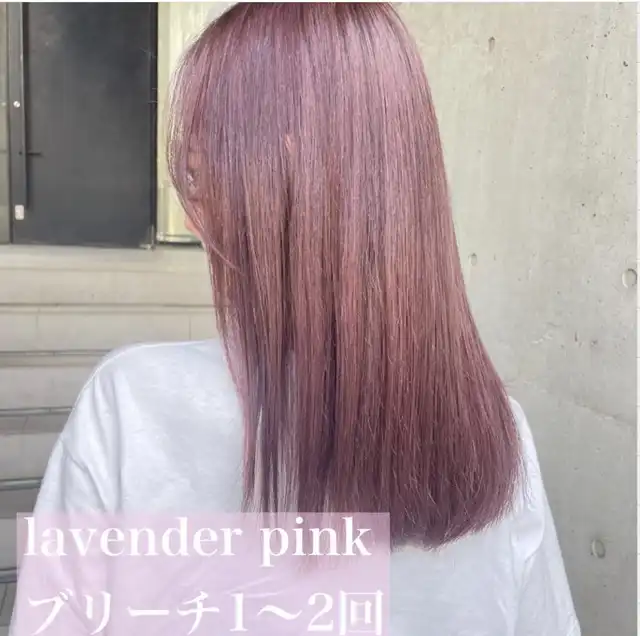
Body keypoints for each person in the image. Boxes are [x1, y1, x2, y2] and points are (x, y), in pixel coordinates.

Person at [22, 4, 579, 635]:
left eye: (198, 173)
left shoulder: (132, 406)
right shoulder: (496, 433)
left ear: (263, 181)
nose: (194, 208)